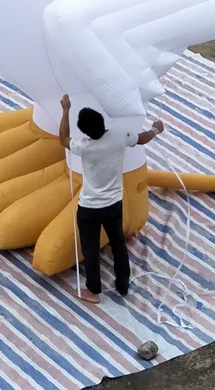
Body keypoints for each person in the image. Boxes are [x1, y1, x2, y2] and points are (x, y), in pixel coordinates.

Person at [59, 93, 164, 304]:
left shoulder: (85, 146)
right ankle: (123, 284)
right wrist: (156, 129)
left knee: (91, 248)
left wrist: (66, 109)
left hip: (89, 206)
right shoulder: (118, 135)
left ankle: (93, 291)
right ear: (102, 122)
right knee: (117, 243)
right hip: (114, 203)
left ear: (85, 132)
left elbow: (62, 139)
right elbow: (141, 139)